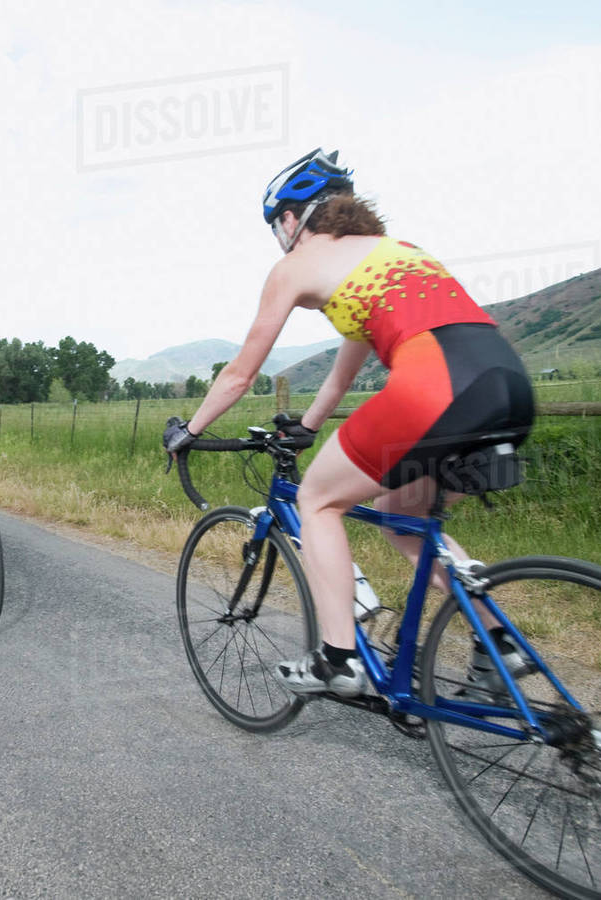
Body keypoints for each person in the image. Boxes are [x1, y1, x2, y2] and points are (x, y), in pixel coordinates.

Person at [163, 148, 534, 697]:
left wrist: (188, 431)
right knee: (399, 513)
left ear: (292, 219)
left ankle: (338, 659)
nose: (278, 238)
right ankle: (499, 641)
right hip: (506, 382)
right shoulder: (395, 253)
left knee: (316, 501)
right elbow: (343, 373)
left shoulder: (294, 265)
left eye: (276, 226)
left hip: (436, 384)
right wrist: (309, 426)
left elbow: (240, 374)